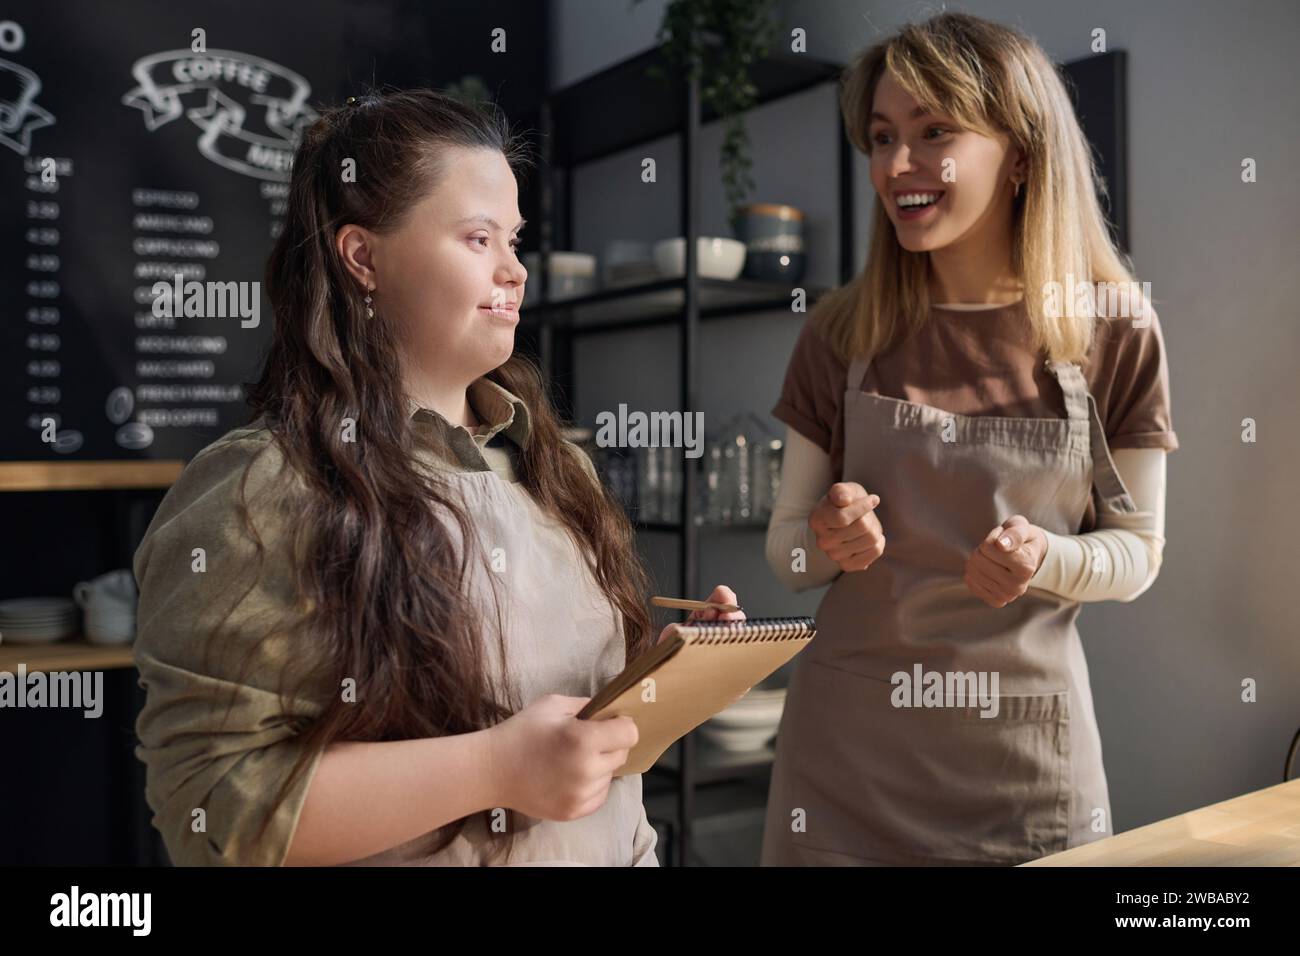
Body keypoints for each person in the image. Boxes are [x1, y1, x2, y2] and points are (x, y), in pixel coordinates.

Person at [131, 88, 742, 866]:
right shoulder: (264, 488)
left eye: (515, 241)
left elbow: (593, 769)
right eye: (478, 238)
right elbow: (211, 809)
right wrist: (495, 767)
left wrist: (661, 684)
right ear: (364, 257)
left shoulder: (560, 471)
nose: (514, 271)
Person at [762, 13, 1178, 865]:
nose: (896, 165)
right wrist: (826, 542)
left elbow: (1137, 553)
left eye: (933, 131)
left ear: (1021, 153)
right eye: (882, 137)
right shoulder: (840, 334)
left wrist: (1049, 559)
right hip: (846, 769)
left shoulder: (1115, 329)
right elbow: (786, 555)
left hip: (1024, 772)